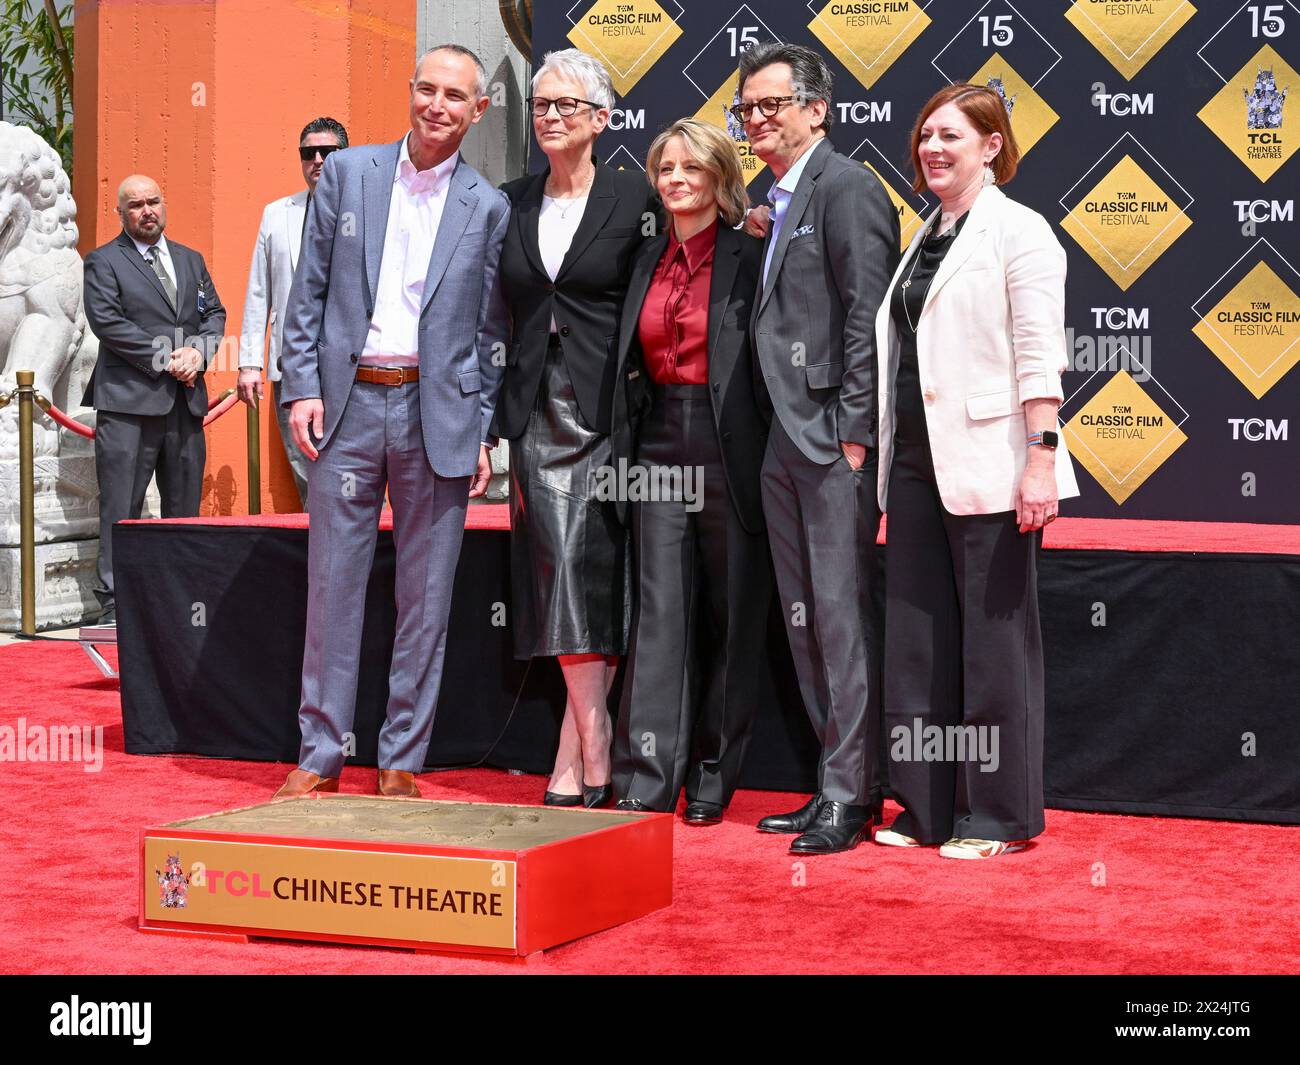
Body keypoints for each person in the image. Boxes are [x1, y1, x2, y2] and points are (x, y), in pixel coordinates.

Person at [272, 44, 510, 799]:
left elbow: (490, 330)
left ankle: (401, 758)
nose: (438, 105)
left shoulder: (489, 206)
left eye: (456, 96)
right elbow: (306, 294)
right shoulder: (346, 175)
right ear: (410, 92)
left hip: (435, 415)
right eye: (427, 89)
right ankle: (318, 754)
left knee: (426, 595)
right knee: (332, 585)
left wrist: (481, 429)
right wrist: (299, 388)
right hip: (346, 408)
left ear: (478, 110)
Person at [873, 84, 1079, 859]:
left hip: (995, 463)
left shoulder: (1020, 232)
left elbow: (1039, 356)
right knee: (919, 642)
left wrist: (1041, 456)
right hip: (919, 465)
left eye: (950, 136)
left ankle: (996, 814)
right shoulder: (925, 235)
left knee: (996, 650)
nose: (932, 148)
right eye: (926, 135)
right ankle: (926, 807)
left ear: (991, 146)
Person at [738, 43, 900, 855]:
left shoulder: (849, 187)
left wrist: (857, 433)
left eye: (771, 105)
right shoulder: (777, 198)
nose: (757, 120)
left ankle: (851, 791)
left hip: (833, 442)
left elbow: (868, 318)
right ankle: (836, 784)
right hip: (781, 441)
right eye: (747, 109)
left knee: (837, 620)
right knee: (806, 623)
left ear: (816, 109)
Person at [490, 48, 658, 809]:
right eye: (541, 105)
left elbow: (669, 294)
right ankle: (590, 739)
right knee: (558, 566)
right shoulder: (510, 201)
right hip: (533, 413)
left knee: (597, 572)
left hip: (614, 414)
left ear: (602, 118)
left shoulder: (636, 196)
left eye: (566, 105)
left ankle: (579, 746)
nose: (550, 116)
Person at [607, 119, 771, 824]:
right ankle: (645, 773)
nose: (676, 179)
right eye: (665, 168)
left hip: (732, 447)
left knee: (732, 614)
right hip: (655, 446)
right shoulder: (643, 258)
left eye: (691, 168)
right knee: (659, 616)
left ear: (720, 178)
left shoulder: (751, 253)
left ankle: (711, 769)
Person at [82, 175, 226, 625]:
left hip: (185, 404)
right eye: (136, 205)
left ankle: (181, 602)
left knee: (183, 510)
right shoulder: (104, 261)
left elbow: (215, 315)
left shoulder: (190, 259)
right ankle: (115, 608)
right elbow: (108, 322)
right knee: (121, 509)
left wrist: (198, 354)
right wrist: (168, 357)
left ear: (165, 205)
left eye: (153, 202)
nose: (147, 211)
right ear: (120, 213)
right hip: (127, 406)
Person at [236, 116, 350, 509]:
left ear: (344, 157)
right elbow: (257, 292)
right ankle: (317, 559)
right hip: (293, 368)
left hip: (352, 368)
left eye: (328, 152)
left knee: (352, 469)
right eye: (308, 153)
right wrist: (249, 363)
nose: (317, 160)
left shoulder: (369, 212)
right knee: (306, 469)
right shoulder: (276, 213)